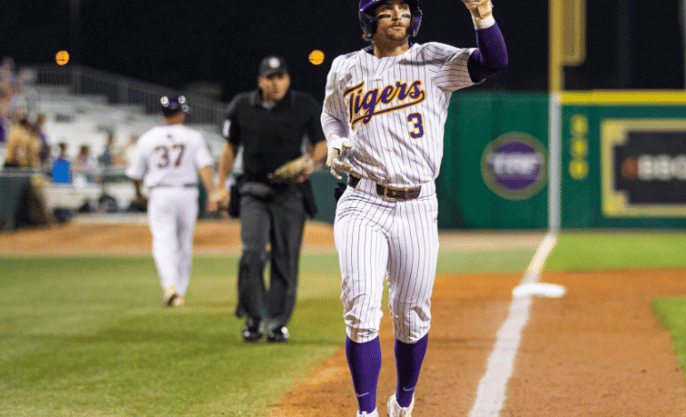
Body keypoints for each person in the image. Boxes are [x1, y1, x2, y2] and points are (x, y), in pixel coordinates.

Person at [321, 1, 507, 416]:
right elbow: (332, 116)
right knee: (361, 308)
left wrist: (482, 13)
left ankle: (403, 401)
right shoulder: (345, 67)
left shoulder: (432, 59)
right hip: (362, 200)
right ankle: (366, 411)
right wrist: (334, 139)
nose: (398, 14)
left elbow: (494, 60)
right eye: (386, 8)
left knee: (412, 317)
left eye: (405, 7)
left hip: (418, 205)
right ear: (370, 20)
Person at [209, 55, 328, 344]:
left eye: (281, 77)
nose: (276, 83)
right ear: (260, 81)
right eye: (270, 77)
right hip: (253, 190)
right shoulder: (242, 105)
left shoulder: (304, 104)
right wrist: (219, 186)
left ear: (287, 79)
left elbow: (321, 143)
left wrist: (311, 162)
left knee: (285, 259)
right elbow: (230, 148)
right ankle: (253, 317)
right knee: (252, 253)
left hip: (290, 193)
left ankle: (277, 323)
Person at [125, 95, 216, 307]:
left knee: (163, 241)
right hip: (187, 193)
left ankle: (169, 287)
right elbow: (204, 166)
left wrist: (139, 193)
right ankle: (180, 291)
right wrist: (212, 192)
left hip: (160, 193)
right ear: (181, 113)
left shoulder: (147, 138)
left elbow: (135, 173)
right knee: (184, 243)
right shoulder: (193, 136)